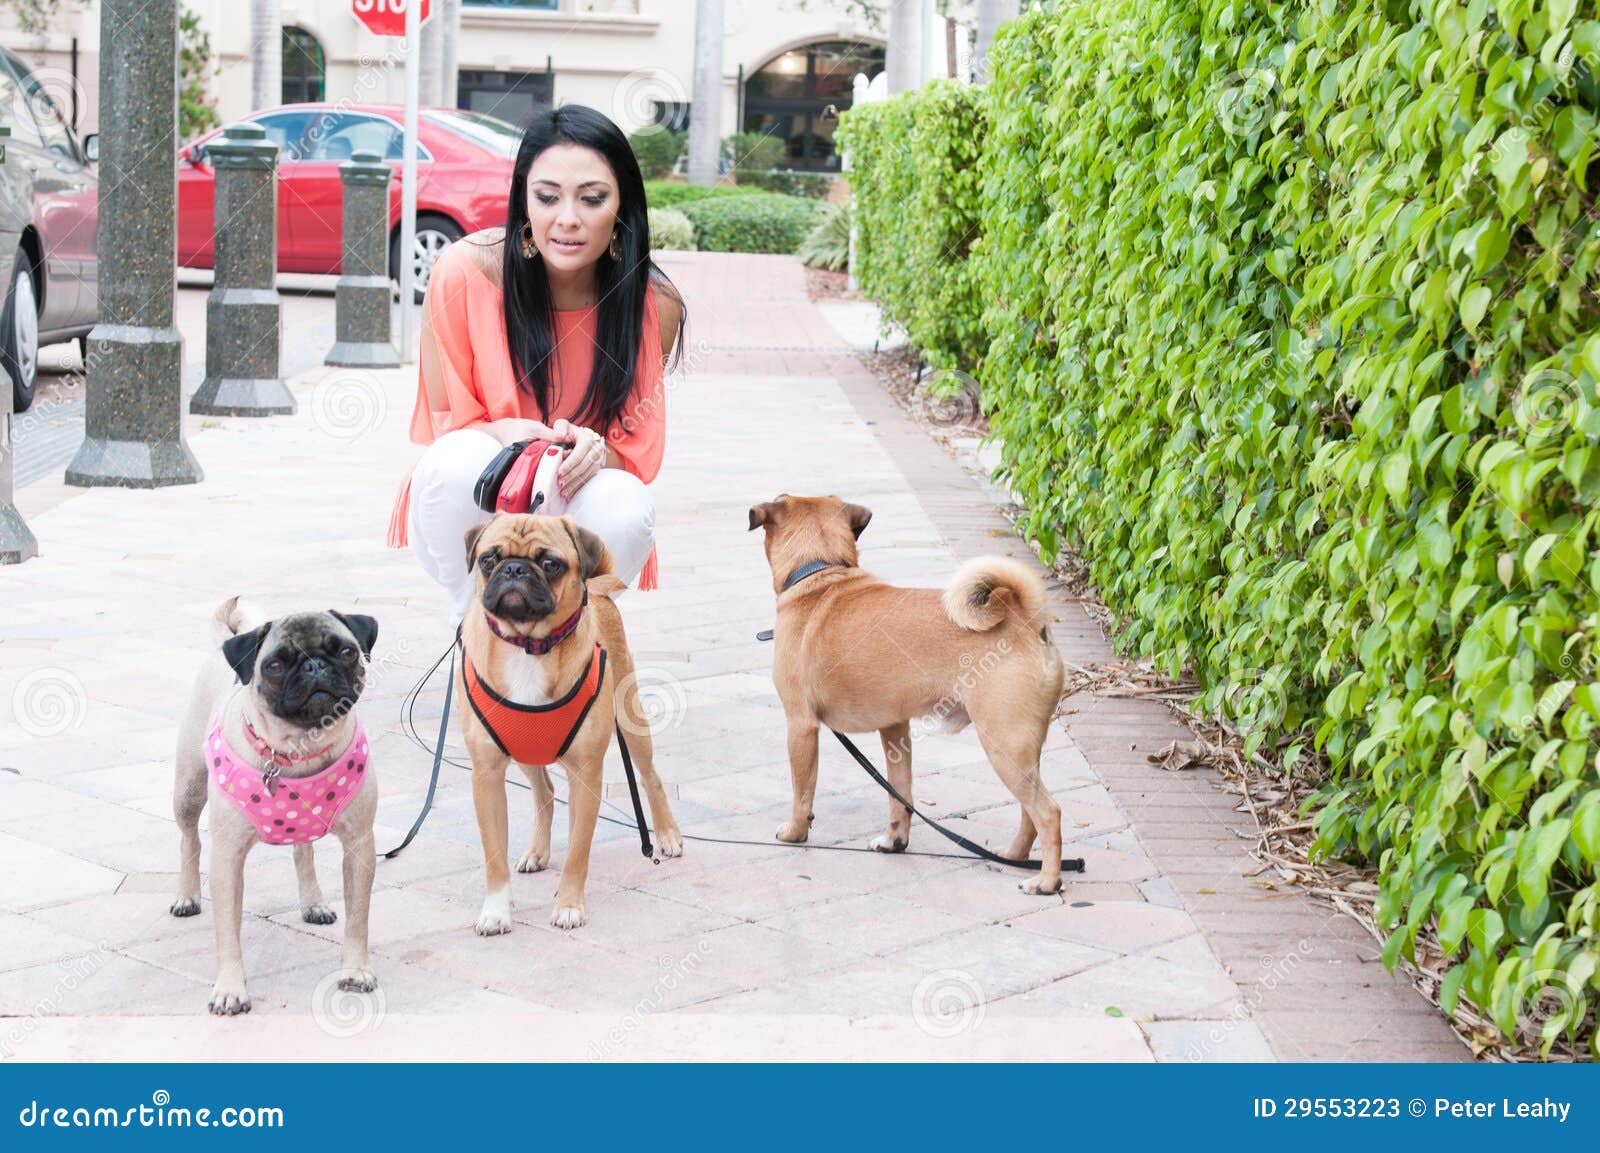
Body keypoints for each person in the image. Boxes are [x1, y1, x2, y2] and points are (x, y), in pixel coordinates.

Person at [387, 104, 683, 626]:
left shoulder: (653, 304)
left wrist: (595, 450)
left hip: (575, 497)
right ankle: (473, 624)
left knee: (627, 505)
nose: (566, 219)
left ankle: (573, 632)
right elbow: (443, 425)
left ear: (622, 207)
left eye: (592, 199)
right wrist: (502, 431)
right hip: (480, 496)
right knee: (453, 462)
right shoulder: (462, 272)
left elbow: (634, 453)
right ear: (523, 197)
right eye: (547, 197)